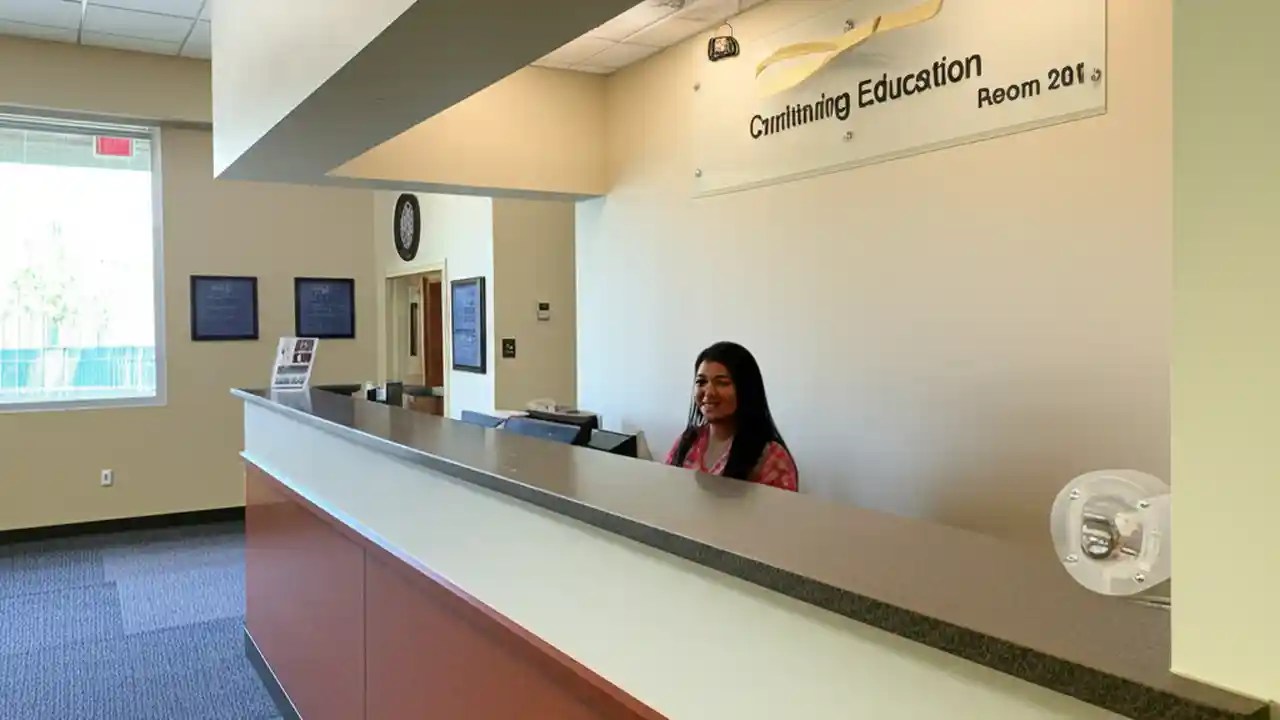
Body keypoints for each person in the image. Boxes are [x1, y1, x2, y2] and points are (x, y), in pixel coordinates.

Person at [665, 341, 798, 492]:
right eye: (701, 382)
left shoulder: (772, 458)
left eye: (722, 383)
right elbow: (667, 494)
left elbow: (779, 515)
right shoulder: (688, 441)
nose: (708, 392)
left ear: (746, 390)